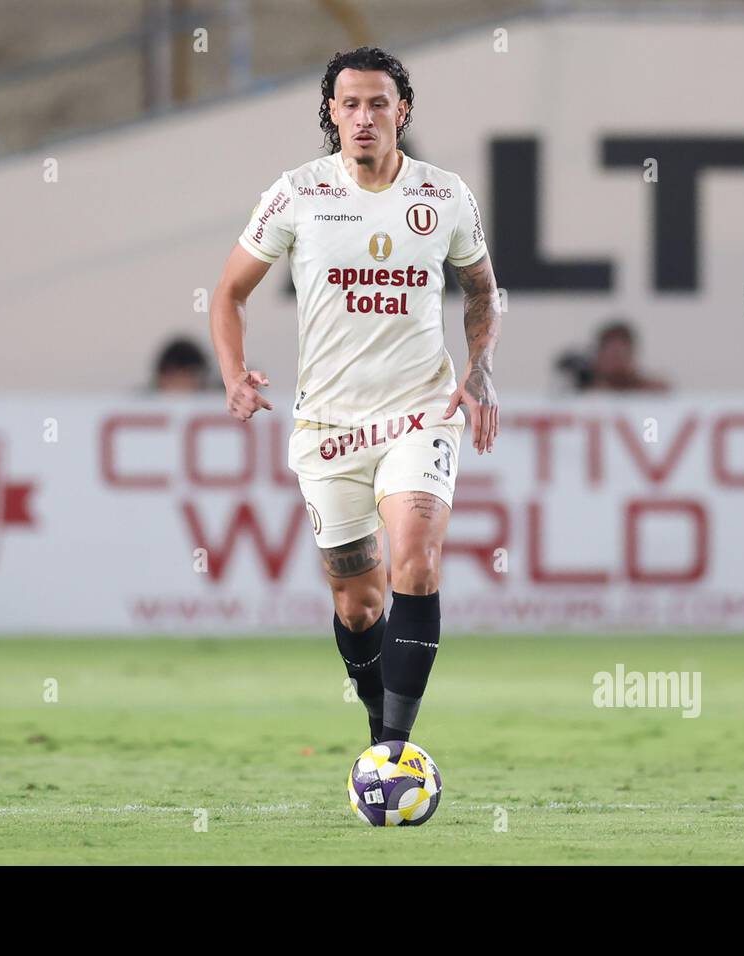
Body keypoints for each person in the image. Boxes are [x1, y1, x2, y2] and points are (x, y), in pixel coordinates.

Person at [209, 47, 501, 747]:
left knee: (418, 561)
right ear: (332, 115)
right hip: (329, 427)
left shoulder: (445, 196)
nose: (364, 117)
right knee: (359, 603)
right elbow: (229, 293)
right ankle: (379, 730)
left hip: (420, 414)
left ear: (402, 112)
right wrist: (233, 372)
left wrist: (481, 366)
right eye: (350, 104)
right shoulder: (298, 194)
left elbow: (481, 290)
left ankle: (396, 753)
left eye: (378, 103)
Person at [583, 320, 668, 392]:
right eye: (610, 357)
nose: (615, 363)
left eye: (619, 356)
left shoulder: (649, 389)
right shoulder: (587, 392)